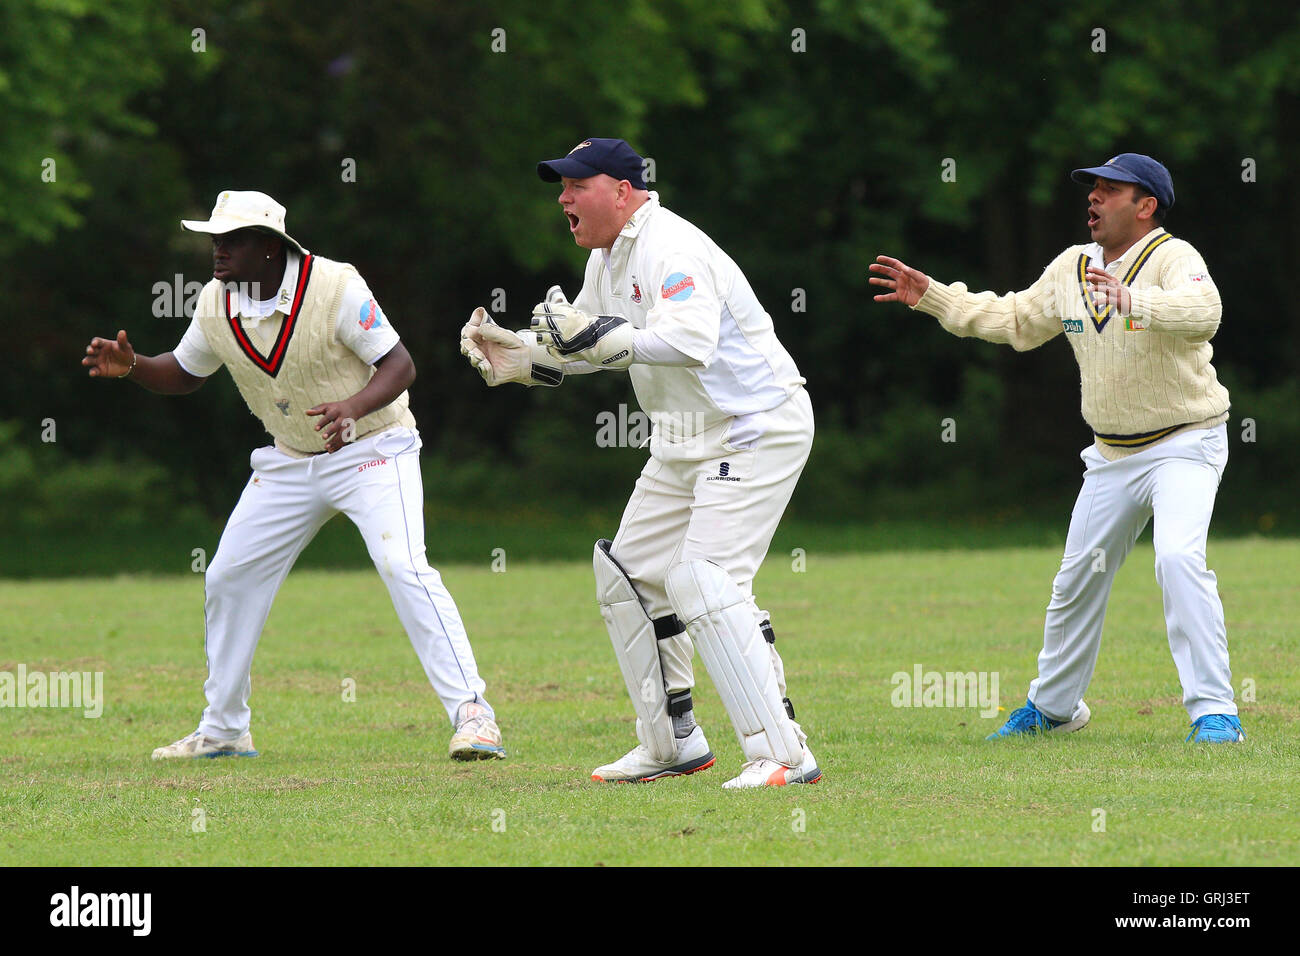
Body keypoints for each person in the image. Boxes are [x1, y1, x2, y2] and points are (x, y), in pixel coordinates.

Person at [82, 190, 505, 761]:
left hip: (373, 447)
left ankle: (474, 715)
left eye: (232, 240)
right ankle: (224, 729)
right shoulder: (215, 301)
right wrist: (133, 366)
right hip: (289, 458)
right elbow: (184, 373)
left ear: (268, 246)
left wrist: (352, 407)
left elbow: (400, 365)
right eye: (215, 239)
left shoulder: (335, 287)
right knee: (227, 577)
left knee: (401, 564)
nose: (218, 250)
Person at [460, 138, 821, 787]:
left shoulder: (670, 246)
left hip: (753, 425)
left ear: (623, 191)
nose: (564, 199)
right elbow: (590, 343)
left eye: (577, 186)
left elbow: (688, 340)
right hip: (681, 436)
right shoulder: (608, 256)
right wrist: (522, 357)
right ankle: (671, 742)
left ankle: (784, 754)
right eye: (561, 187)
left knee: (705, 581)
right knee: (629, 576)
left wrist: (601, 337)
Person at [870, 153, 1242, 743]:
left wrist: (1135, 301)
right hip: (1112, 455)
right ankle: (1055, 708)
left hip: (1186, 442)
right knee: (1076, 580)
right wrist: (933, 297)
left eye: (1110, 189)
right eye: (1092, 188)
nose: (1093, 197)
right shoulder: (1072, 266)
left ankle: (1216, 714)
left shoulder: (1175, 257)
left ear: (1146, 206)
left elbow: (1205, 314)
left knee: (1176, 559)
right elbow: (1015, 320)